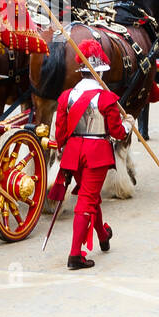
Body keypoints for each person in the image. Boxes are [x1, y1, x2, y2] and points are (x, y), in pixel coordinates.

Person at [48, 41, 130, 267]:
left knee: (90, 196)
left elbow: (61, 131)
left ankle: (103, 236)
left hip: (74, 153)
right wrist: (129, 126)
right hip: (96, 153)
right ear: (100, 70)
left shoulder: (66, 96)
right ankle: (75, 254)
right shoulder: (106, 98)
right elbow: (117, 132)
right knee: (86, 200)